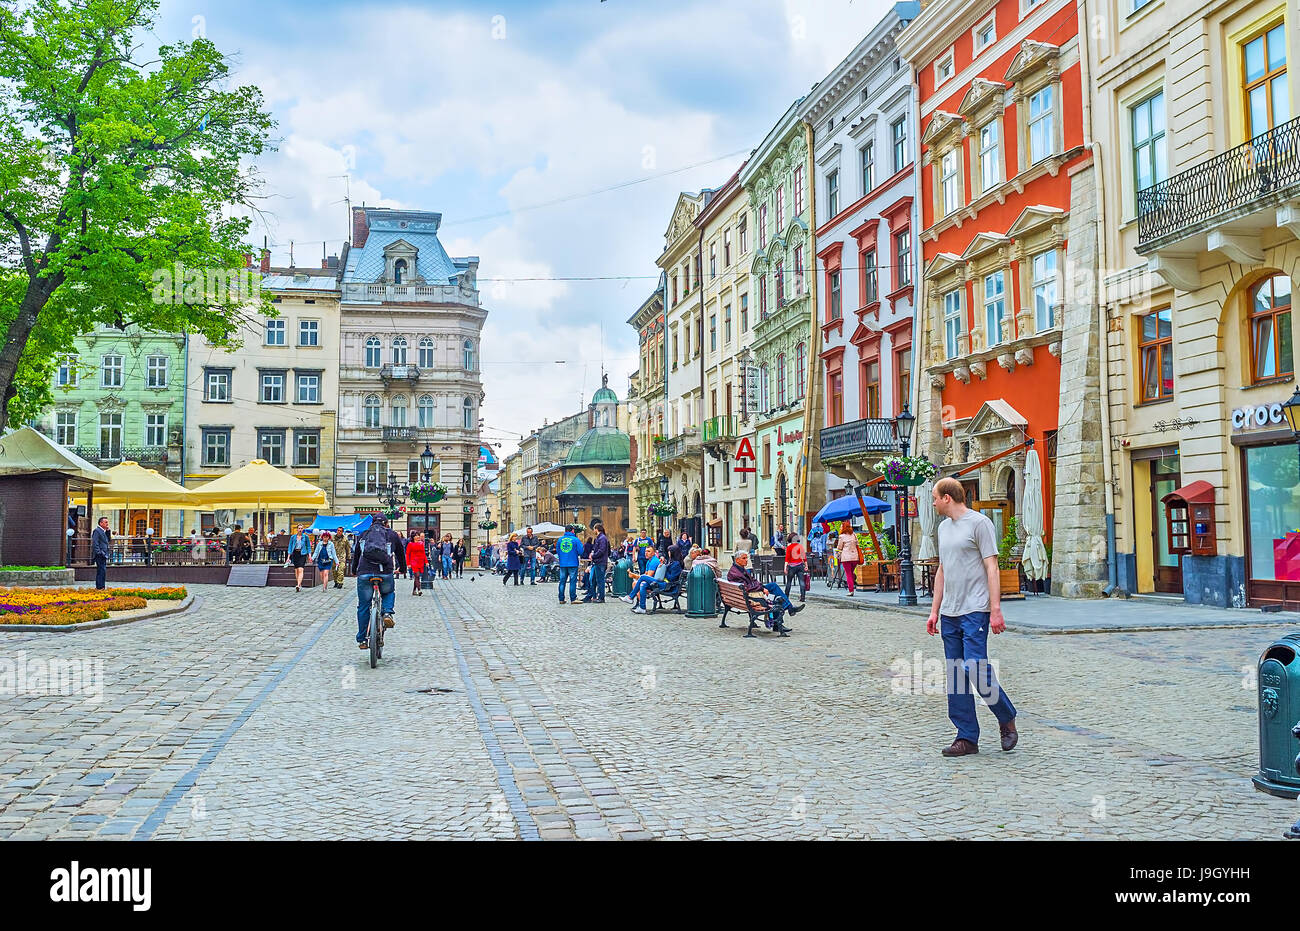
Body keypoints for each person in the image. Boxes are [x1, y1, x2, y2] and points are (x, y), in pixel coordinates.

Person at [926, 477, 1018, 758]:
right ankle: (966, 737)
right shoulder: (943, 528)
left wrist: (996, 608)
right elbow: (942, 569)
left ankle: (1005, 716)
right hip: (950, 612)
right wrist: (934, 610)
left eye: (935, 497)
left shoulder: (980, 524)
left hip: (975, 608)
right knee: (956, 673)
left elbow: (992, 566)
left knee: (975, 667)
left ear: (947, 498)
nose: (932, 502)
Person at [351, 515, 407, 648]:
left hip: (365, 573)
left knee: (364, 605)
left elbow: (357, 555)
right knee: (388, 592)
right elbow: (400, 554)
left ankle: (363, 639)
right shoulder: (392, 535)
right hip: (385, 572)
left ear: (372, 523)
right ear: (386, 523)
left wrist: (354, 571)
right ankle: (387, 612)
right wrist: (403, 568)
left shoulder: (364, 534)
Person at [726, 550, 803, 632]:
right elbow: (747, 587)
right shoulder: (736, 572)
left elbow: (753, 581)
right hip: (751, 596)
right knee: (776, 598)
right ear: (737, 560)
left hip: (746, 595)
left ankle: (788, 610)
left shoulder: (739, 569)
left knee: (773, 586)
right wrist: (762, 589)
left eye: (746, 558)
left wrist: (761, 587)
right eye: (744, 558)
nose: (746, 560)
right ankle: (784, 616)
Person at [631, 544, 683, 614]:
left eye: (669, 551)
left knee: (643, 577)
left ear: (673, 552)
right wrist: (663, 565)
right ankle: (642, 607)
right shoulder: (672, 562)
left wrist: (664, 569)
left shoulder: (676, 564)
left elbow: (671, 578)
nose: (668, 553)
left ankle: (630, 597)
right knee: (643, 585)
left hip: (668, 585)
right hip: (663, 583)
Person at [582, 522, 610, 603]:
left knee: (600, 580)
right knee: (593, 579)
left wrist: (593, 555)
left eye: (594, 529)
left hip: (600, 562)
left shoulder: (602, 538)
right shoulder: (599, 538)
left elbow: (602, 550)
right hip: (597, 562)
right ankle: (592, 596)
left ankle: (601, 597)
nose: (593, 531)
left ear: (597, 529)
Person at [555, 525, 583, 604]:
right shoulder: (575, 540)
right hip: (573, 562)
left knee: (562, 581)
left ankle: (561, 599)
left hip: (563, 563)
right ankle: (573, 598)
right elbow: (581, 551)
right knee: (572, 581)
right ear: (572, 530)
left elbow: (557, 550)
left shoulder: (560, 540)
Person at [836, 521, 861, 596]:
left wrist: (838, 554)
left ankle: (851, 590)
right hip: (855, 557)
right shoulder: (854, 535)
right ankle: (853, 583)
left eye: (841, 526)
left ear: (843, 528)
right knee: (851, 573)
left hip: (846, 558)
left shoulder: (842, 536)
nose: (840, 527)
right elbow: (857, 544)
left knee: (848, 574)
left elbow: (839, 547)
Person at [783, 531, 808, 604]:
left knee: (789, 582)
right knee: (802, 582)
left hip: (791, 567)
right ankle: (803, 597)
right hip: (800, 566)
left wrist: (785, 568)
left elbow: (787, 558)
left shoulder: (789, 547)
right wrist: (806, 566)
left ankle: (786, 597)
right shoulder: (800, 546)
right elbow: (804, 557)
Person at [285, 525, 312, 592]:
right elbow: (290, 547)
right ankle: (299, 585)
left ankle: (298, 585)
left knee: (301, 569)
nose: (300, 529)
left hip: (302, 554)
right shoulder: (293, 537)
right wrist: (288, 557)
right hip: (295, 554)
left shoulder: (306, 537)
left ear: (303, 529)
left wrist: (309, 556)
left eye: (301, 528)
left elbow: (308, 547)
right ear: (297, 529)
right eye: (299, 528)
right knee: (296, 570)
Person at [91, 517, 112, 589]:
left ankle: (102, 586)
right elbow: (95, 542)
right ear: (101, 523)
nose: (107, 524)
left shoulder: (103, 531)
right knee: (101, 571)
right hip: (100, 554)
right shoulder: (97, 531)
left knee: (103, 571)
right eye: (105, 522)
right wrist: (99, 552)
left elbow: (108, 540)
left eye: (107, 522)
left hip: (104, 554)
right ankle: (99, 587)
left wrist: (108, 531)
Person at [406, 531, 427, 595]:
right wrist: (408, 563)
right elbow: (407, 554)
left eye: (418, 535)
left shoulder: (421, 543)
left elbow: (423, 553)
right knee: (417, 575)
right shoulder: (410, 544)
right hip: (413, 561)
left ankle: (414, 590)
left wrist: (426, 561)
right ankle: (419, 590)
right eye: (416, 535)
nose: (418, 537)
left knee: (416, 577)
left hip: (420, 561)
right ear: (413, 537)